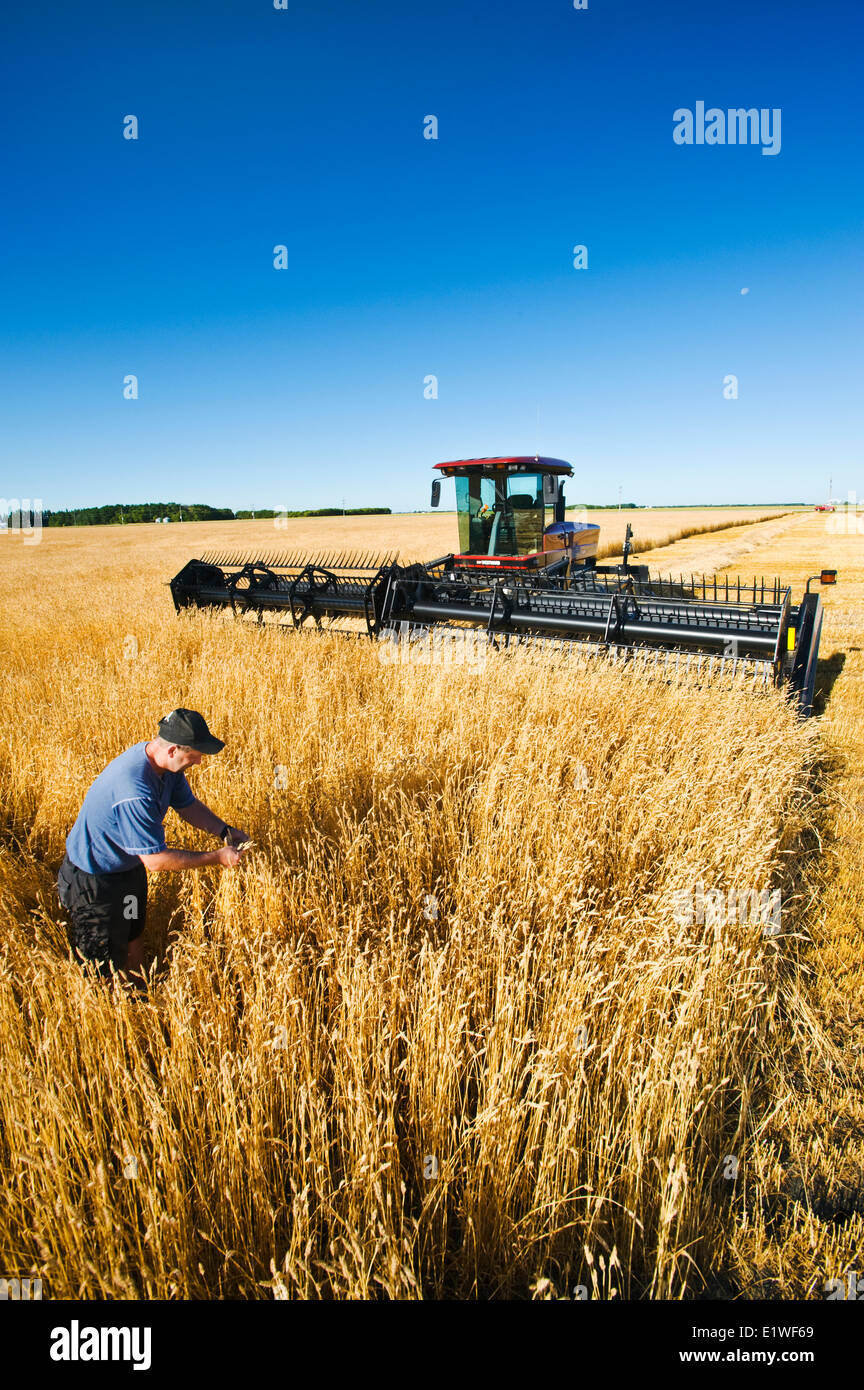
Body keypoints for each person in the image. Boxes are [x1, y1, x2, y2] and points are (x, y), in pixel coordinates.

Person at [57, 708, 249, 992]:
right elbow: (156, 861)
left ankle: (138, 994)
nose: (198, 761)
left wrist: (225, 831)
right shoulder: (135, 789)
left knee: (133, 931)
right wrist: (217, 858)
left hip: (128, 873)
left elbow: (188, 806)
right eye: (195, 754)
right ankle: (115, 1017)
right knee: (103, 965)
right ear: (173, 749)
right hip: (96, 883)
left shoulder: (165, 768)